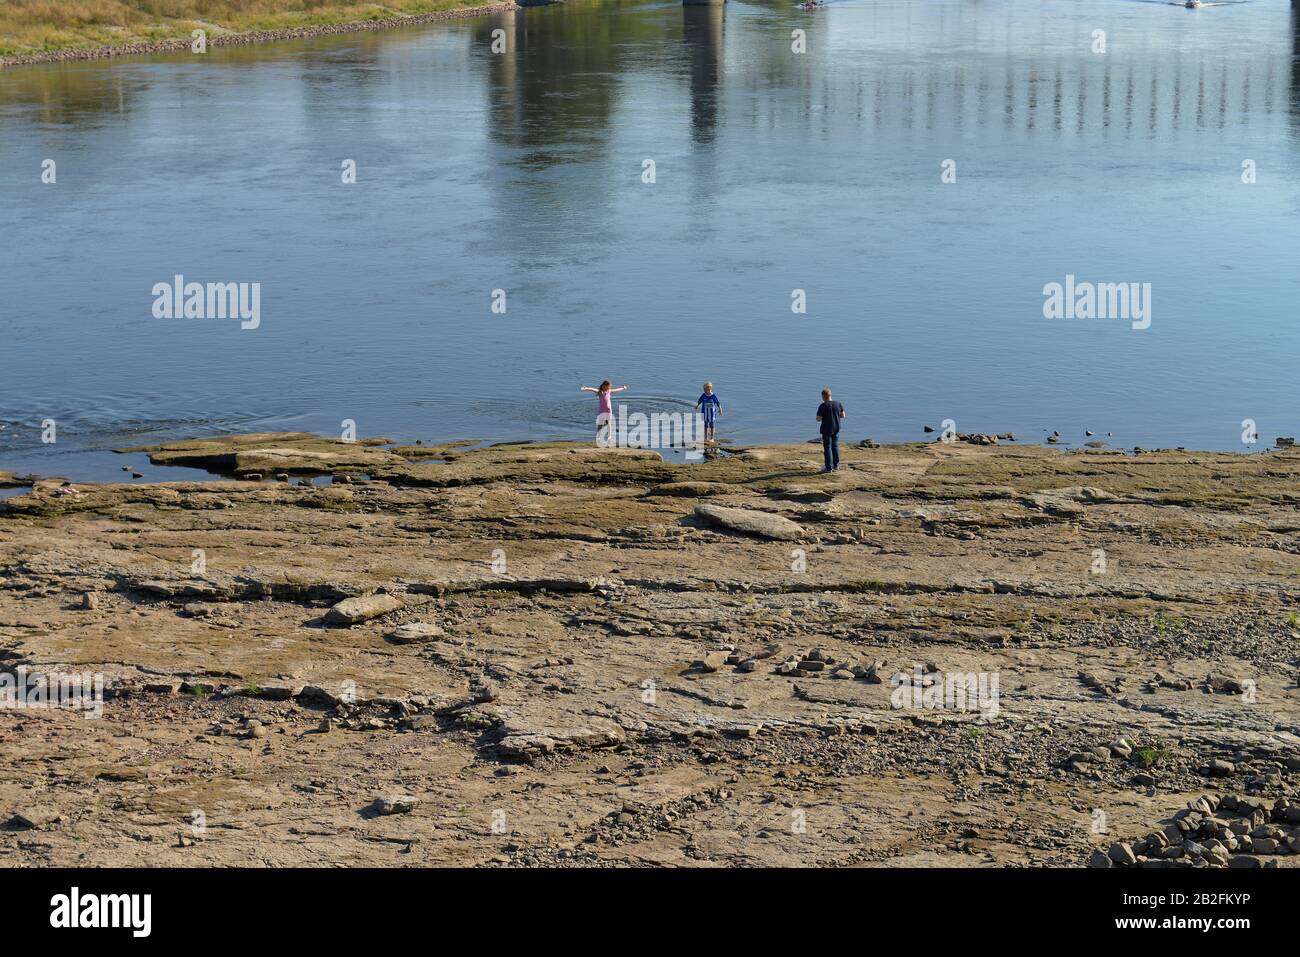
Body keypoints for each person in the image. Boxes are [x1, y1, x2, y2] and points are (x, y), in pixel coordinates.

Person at [581, 380, 628, 445]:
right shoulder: (600, 392)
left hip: (608, 410)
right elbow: (592, 389)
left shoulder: (609, 391)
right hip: (602, 411)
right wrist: (586, 388)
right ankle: (598, 437)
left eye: (609, 387)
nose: (608, 388)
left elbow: (617, 390)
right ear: (603, 386)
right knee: (600, 424)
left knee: (609, 423)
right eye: (607, 387)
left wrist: (623, 388)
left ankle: (609, 438)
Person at [815, 387, 845, 472]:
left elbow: (818, 419)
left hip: (826, 429)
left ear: (823, 396)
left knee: (827, 448)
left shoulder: (823, 405)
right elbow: (843, 415)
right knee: (835, 447)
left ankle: (828, 468)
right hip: (836, 428)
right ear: (830, 395)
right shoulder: (838, 403)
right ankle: (836, 465)